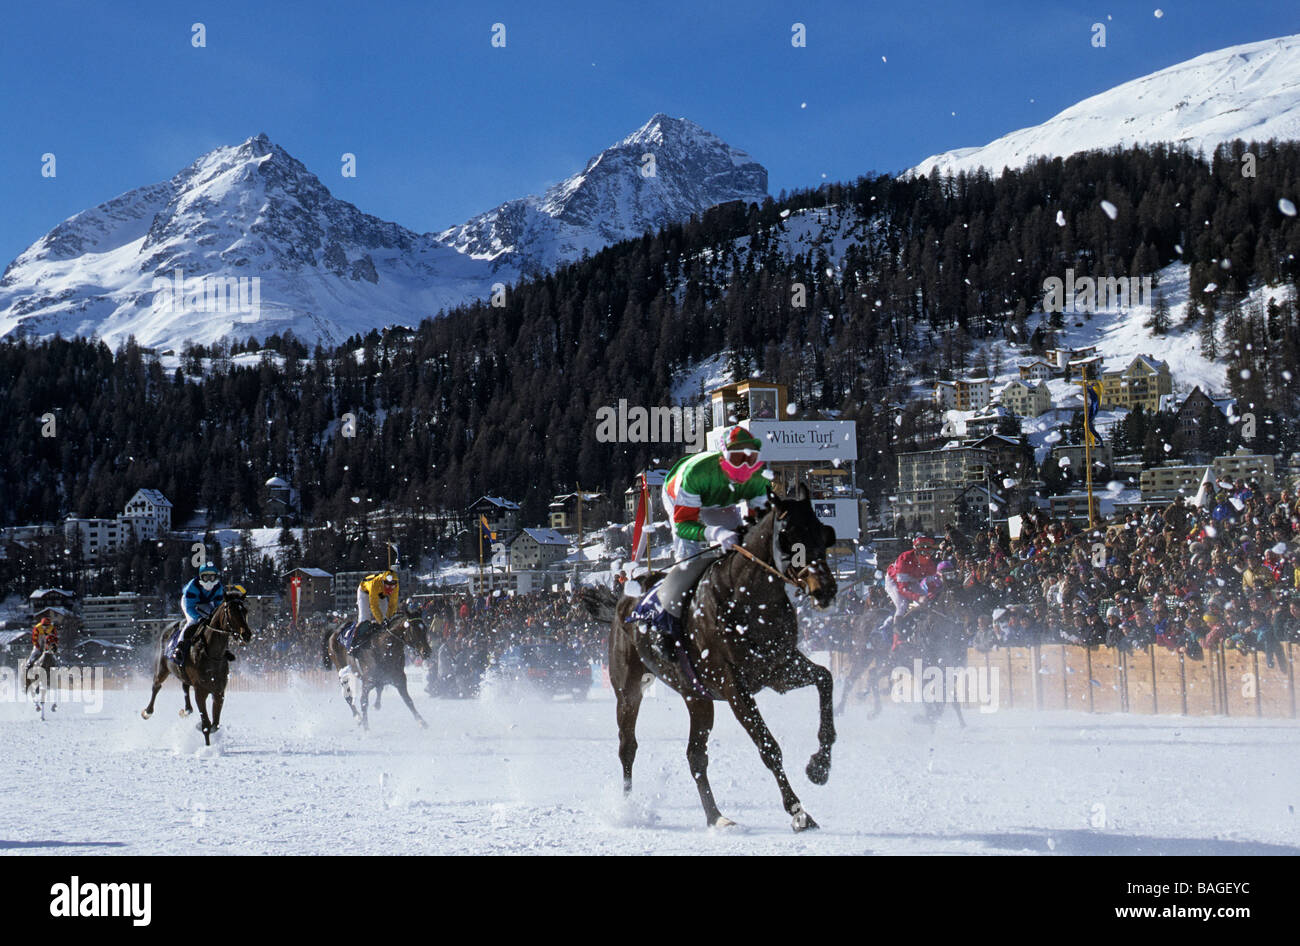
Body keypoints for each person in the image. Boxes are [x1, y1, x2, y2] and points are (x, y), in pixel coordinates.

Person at [629, 424, 772, 667]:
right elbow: (685, 525)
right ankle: (665, 627)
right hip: (681, 496)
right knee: (689, 563)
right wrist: (714, 532)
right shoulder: (698, 473)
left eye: (752, 458)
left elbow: (759, 524)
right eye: (737, 458)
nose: (745, 466)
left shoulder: (757, 478)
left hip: (722, 502)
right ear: (722, 457)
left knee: (744, 555)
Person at [874, 536, 941, 650]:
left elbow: (931, 586)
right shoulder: (904, 559)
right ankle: (896, 640)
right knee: (902, 605)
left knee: (926, 603)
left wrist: (930, 596)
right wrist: (918, 597)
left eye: (928, 550)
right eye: (922, 550)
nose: (926, 553)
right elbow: (902, 589)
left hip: (912, 580)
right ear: (916, 550)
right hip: (894, 581)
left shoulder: (930, 564)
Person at [173, 563, 228, 668]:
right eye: (206, 577)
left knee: (214, 622)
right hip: (190, 603)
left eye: (212, 577)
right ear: (200, 576)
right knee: (192, 622)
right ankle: (179, 647)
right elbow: (190, 607)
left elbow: (217, 606)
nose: (209, 580)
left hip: (206, 602)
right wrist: (198, 617)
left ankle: (223, 648)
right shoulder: (192, 586)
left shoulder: (218, 587)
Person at [350, 570, 400, 654]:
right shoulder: (375, 583)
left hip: (381, 595)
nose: (390, 589)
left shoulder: (396, 586)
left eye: (392, 587)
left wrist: (389, 618)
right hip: (365, 592)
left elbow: (393, 604)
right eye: (388, 586)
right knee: (364, 618)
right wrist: (381, 620)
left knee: (386, 618)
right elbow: (374, 606)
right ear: (383, 582)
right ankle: (354, 643)